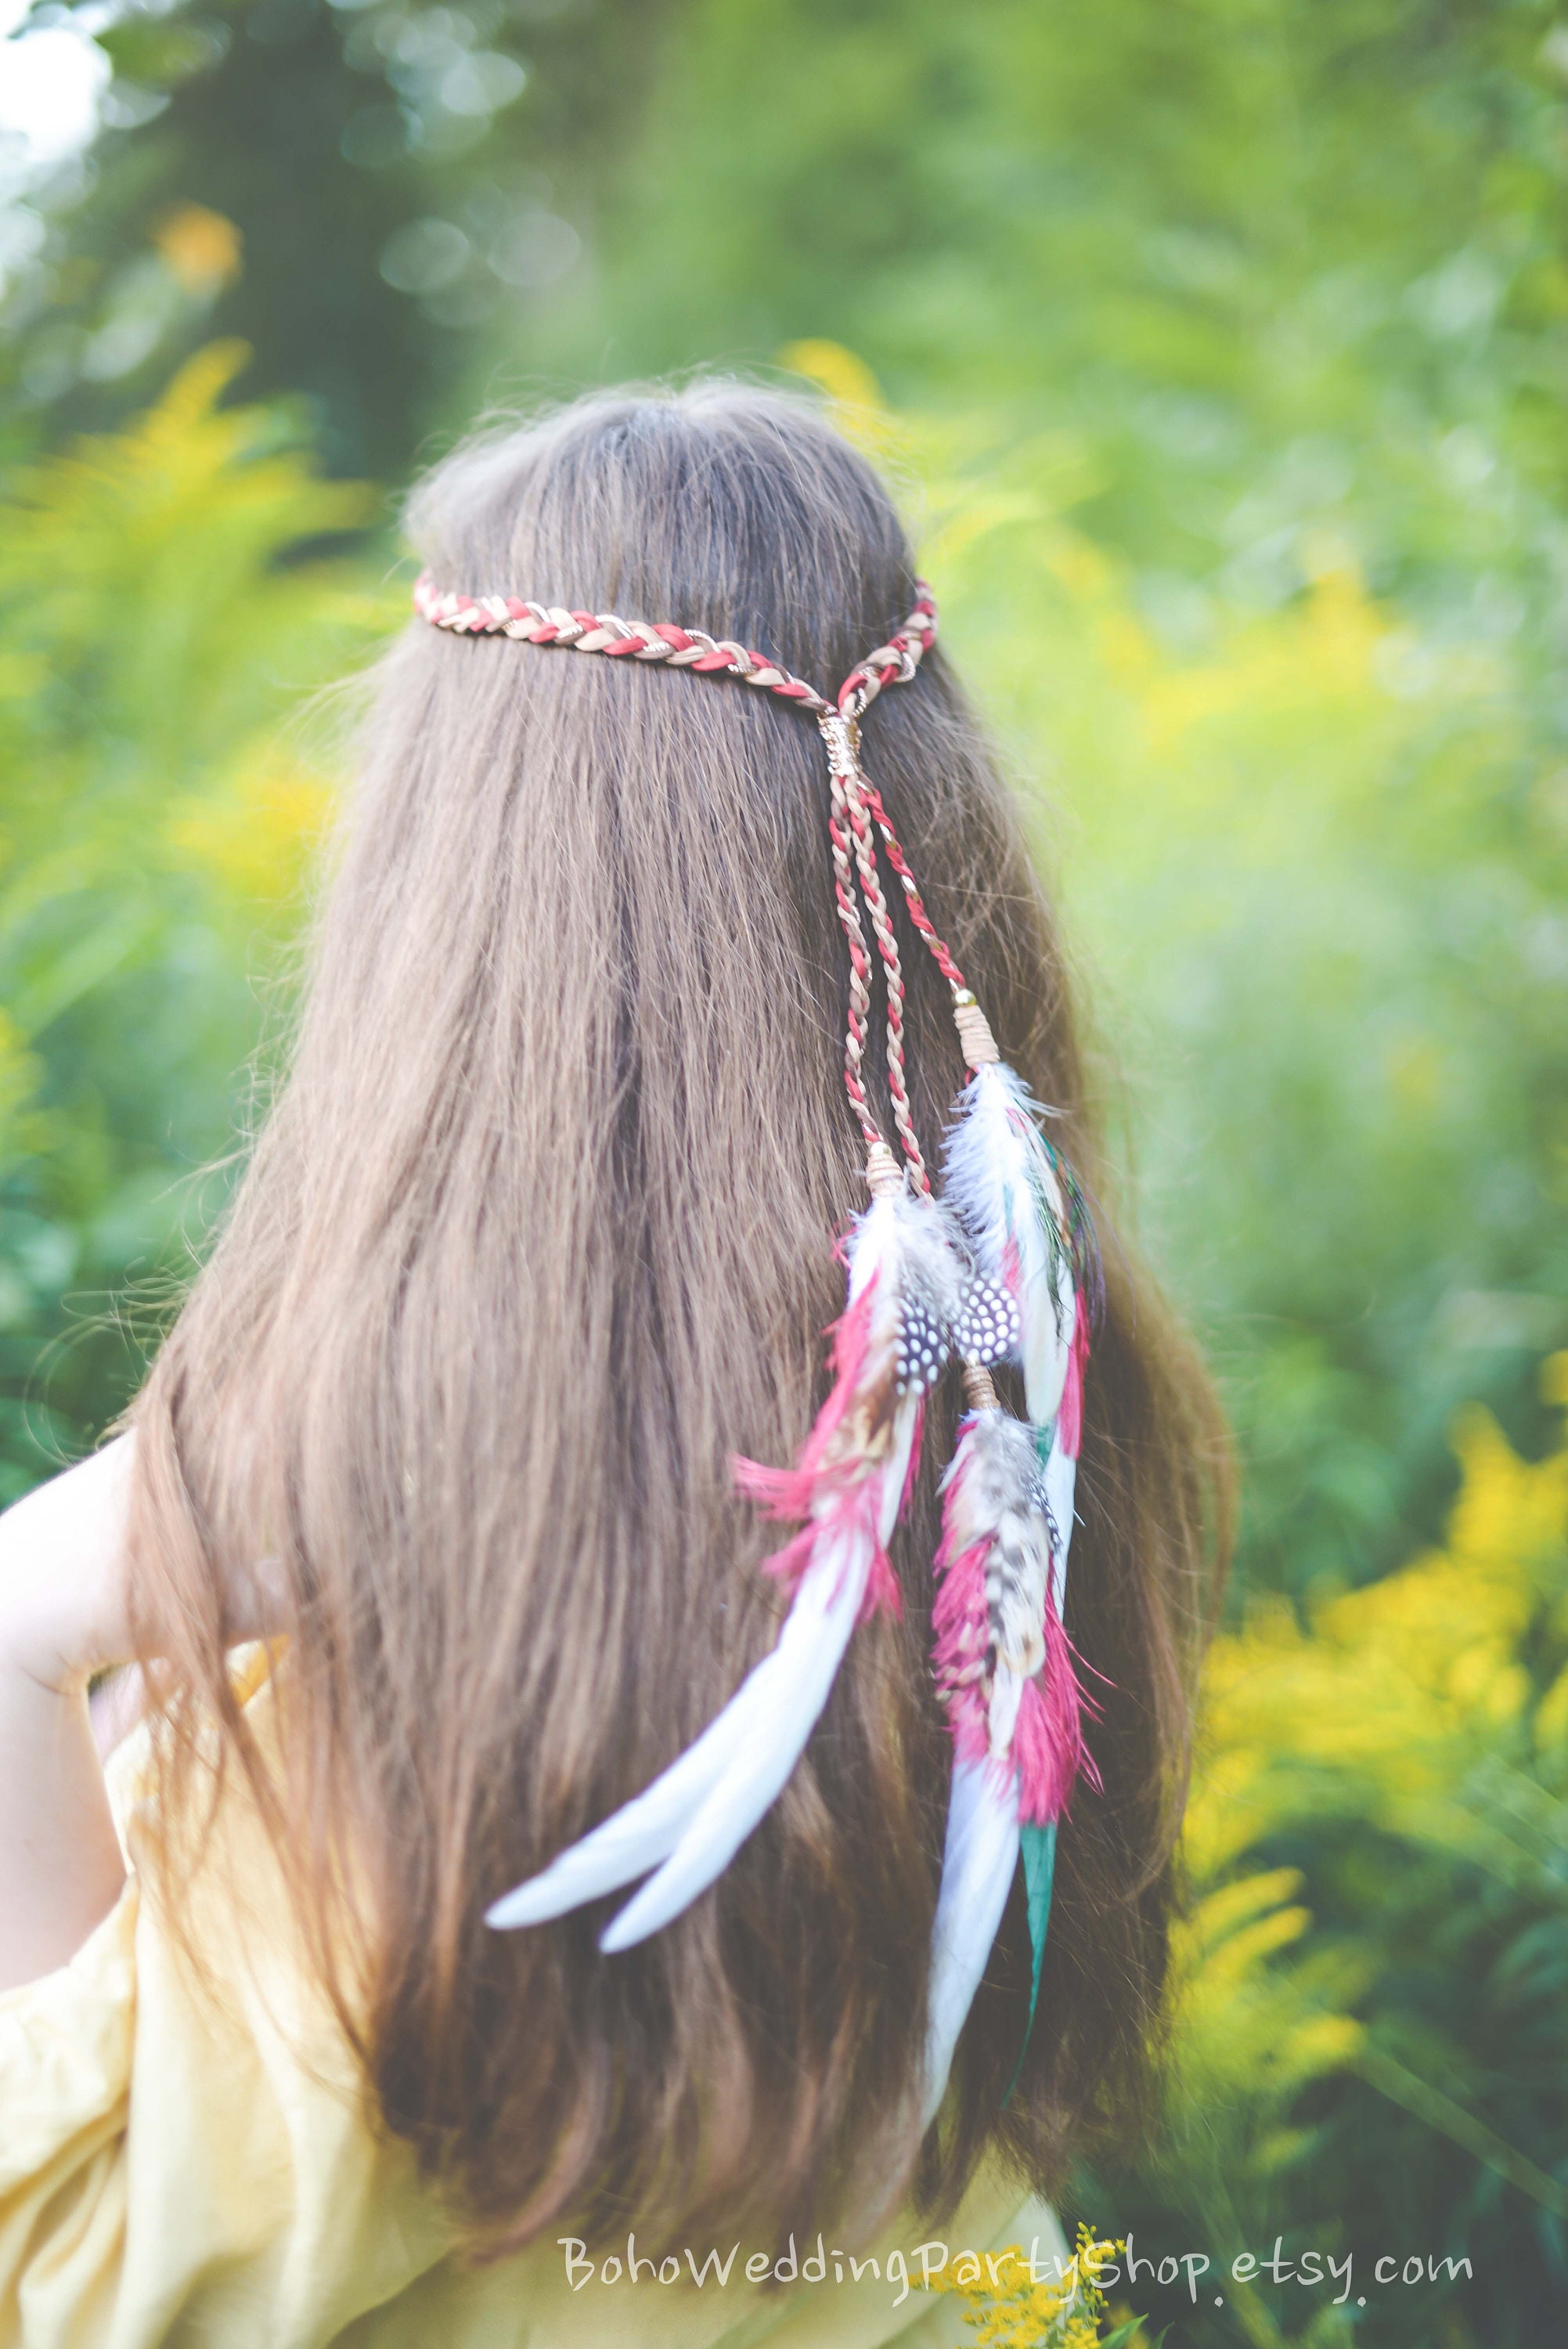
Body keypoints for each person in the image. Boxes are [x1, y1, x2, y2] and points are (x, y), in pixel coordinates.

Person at [0, 383, 1227, 2347]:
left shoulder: (408, 1678)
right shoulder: (1028, 1423)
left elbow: (62, 2294)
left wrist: (17, 1624)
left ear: (445, 898)